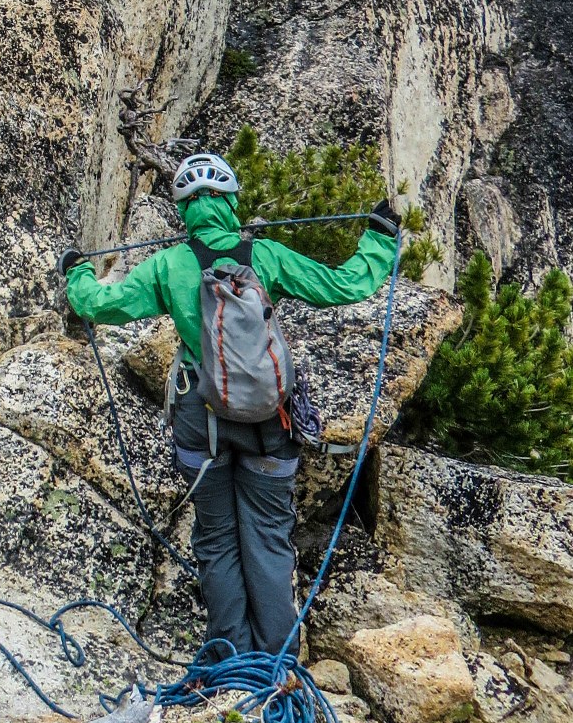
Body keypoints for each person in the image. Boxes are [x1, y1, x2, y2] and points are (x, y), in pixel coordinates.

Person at [63, 152, 399, 658]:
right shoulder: (264, 256)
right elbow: (346, 284)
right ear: (232, 201)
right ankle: (276, 665)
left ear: (185, 211)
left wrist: (76, 273)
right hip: (269, 421)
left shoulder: (168, 265)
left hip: (202, 422)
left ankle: (229, 665)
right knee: (267, 540)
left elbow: (98, 305)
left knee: (217, 539)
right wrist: (379, 237)